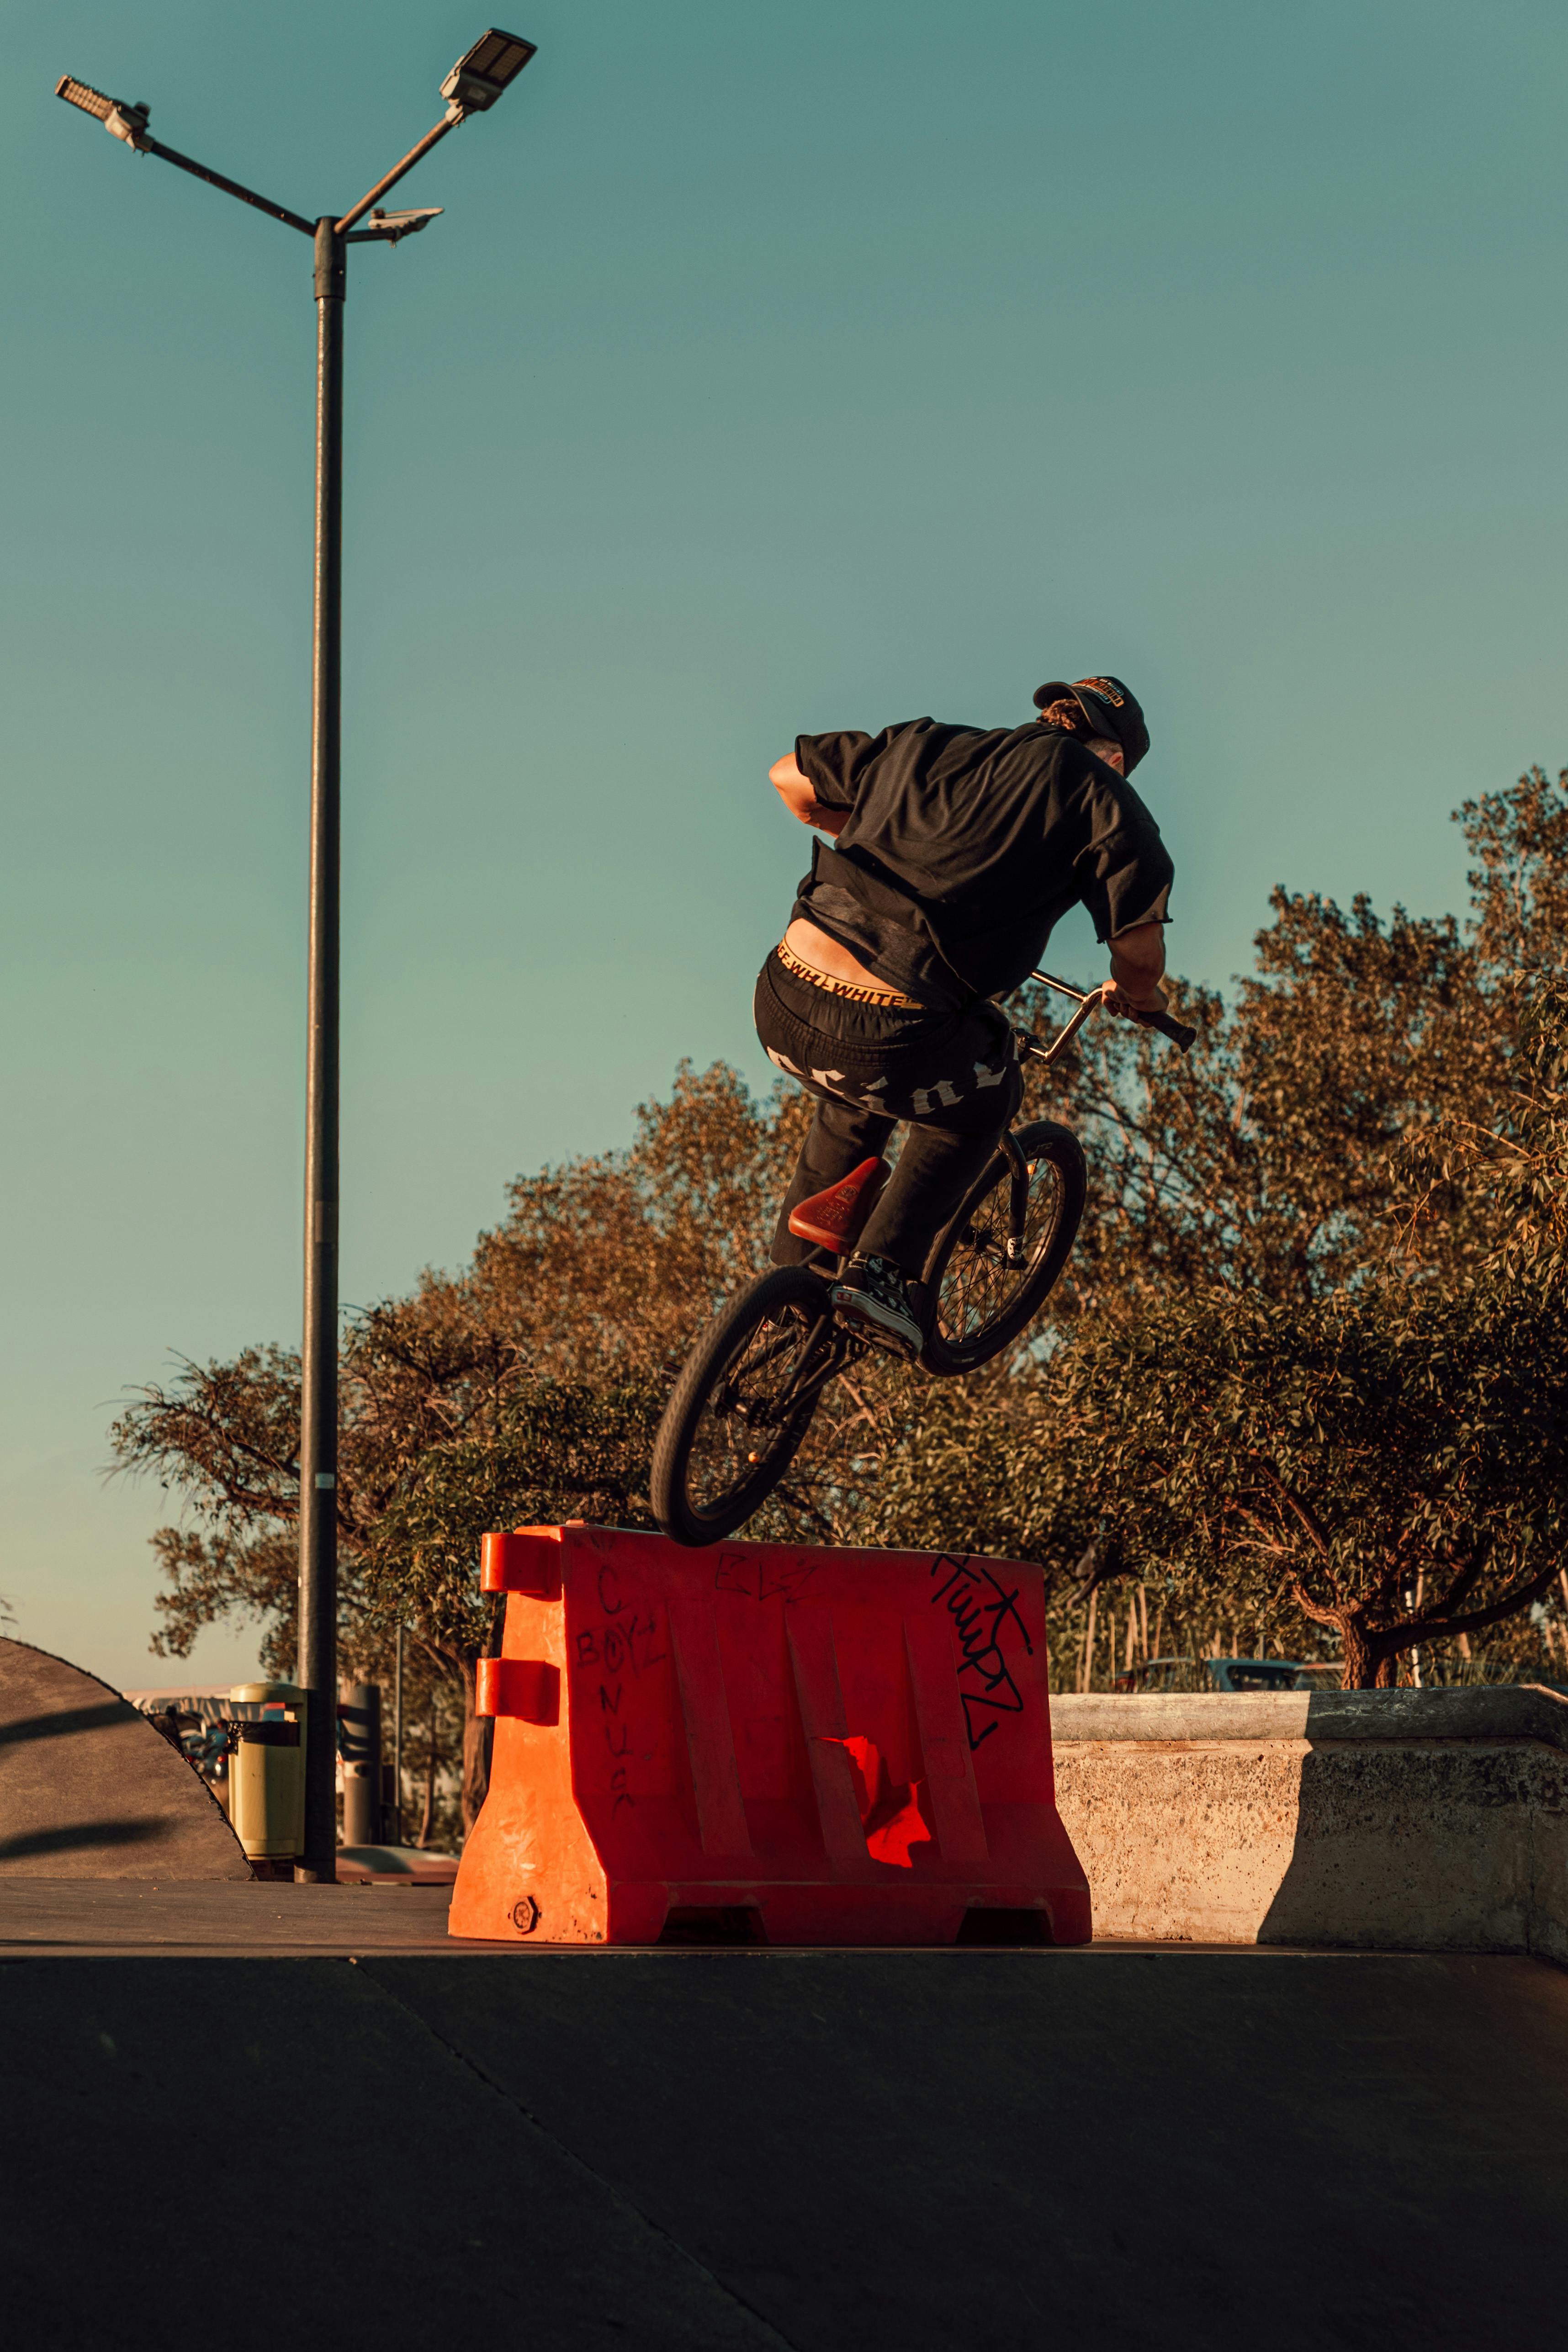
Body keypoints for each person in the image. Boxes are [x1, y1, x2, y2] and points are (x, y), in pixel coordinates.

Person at [754, 673, 1175, 1356]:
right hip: (895, 1027)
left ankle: (788, 1279)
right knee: (988, 1094)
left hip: (781, 997)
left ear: (1048, 716)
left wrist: (861, 841)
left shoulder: (929, 743)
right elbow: (1138, 949)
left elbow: (788, 777)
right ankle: (881, 1272)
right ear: (1118, 758)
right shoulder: (1107, 800)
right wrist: (1141, 996)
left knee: (858, 1093)